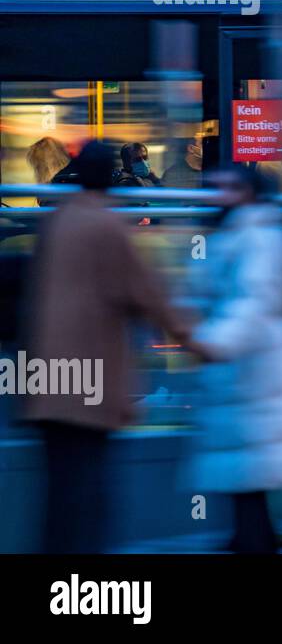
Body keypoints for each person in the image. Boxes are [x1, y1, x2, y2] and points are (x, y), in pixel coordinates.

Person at [22, 141, 191, 553]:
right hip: (89, 384)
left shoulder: (56, 222)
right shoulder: (105, 226)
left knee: (59, 488)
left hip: (46, 379)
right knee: (92, 488)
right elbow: (148, 297)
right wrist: (194, 340)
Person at [184, 167, 282, 554]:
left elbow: (253, 299)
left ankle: (254, 540)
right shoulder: (237, 235)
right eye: (214, 186)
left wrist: (213, 343)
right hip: (247, 362)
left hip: (257, 362)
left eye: (231, 187)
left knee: (250, 468)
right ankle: (253, 538)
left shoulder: (256, 237)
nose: (219, 194)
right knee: (248, 470)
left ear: (252, 194)